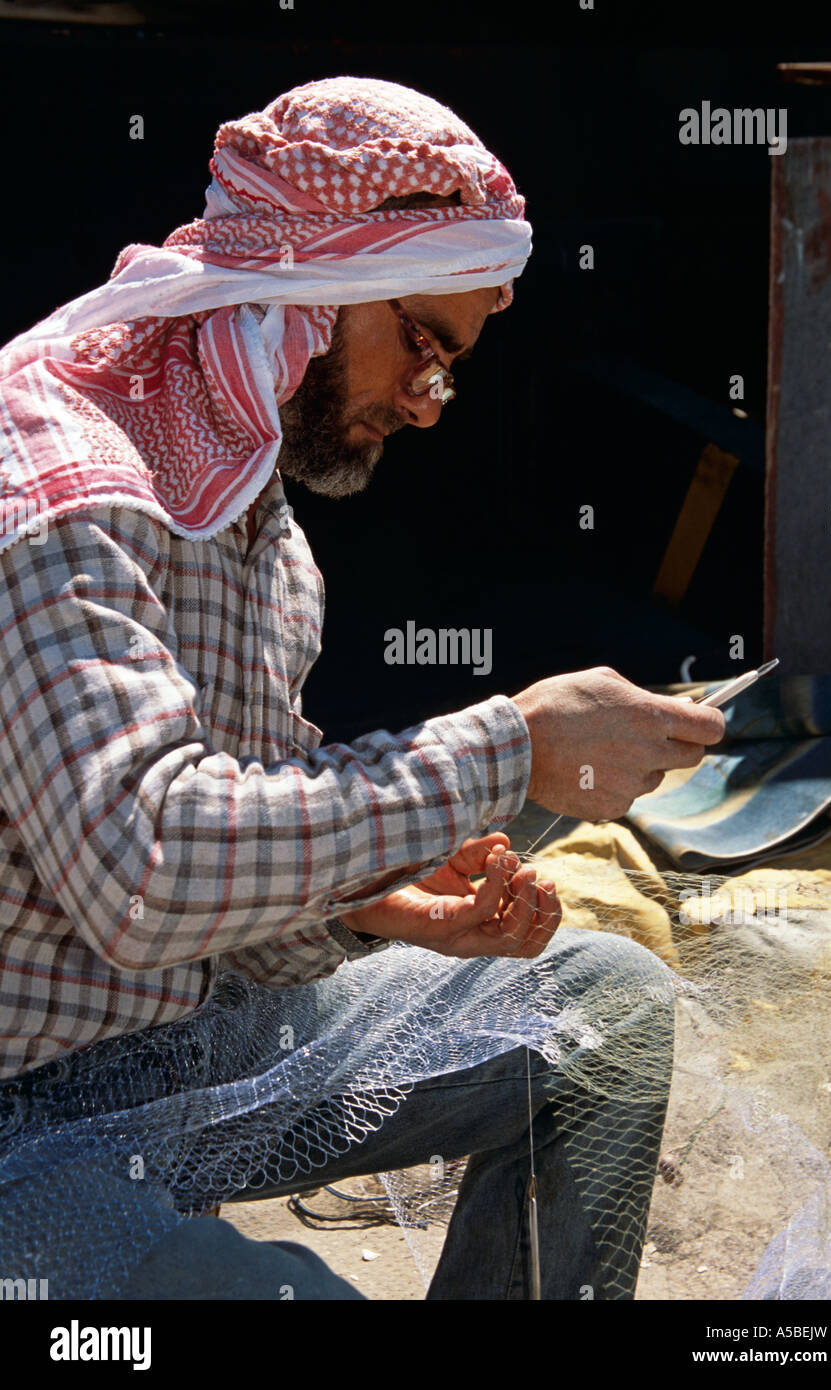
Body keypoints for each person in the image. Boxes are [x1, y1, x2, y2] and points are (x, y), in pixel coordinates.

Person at [0, 76, 724, 1300]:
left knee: (606, 1007)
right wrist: (508, 749)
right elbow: (149, 870)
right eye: (424, 345)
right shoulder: (53, 479)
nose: (427, 405)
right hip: (18, 1120)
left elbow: (222, 909)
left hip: (162, 1058)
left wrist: (370, 904)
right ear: (306, 292)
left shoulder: (256, 521)